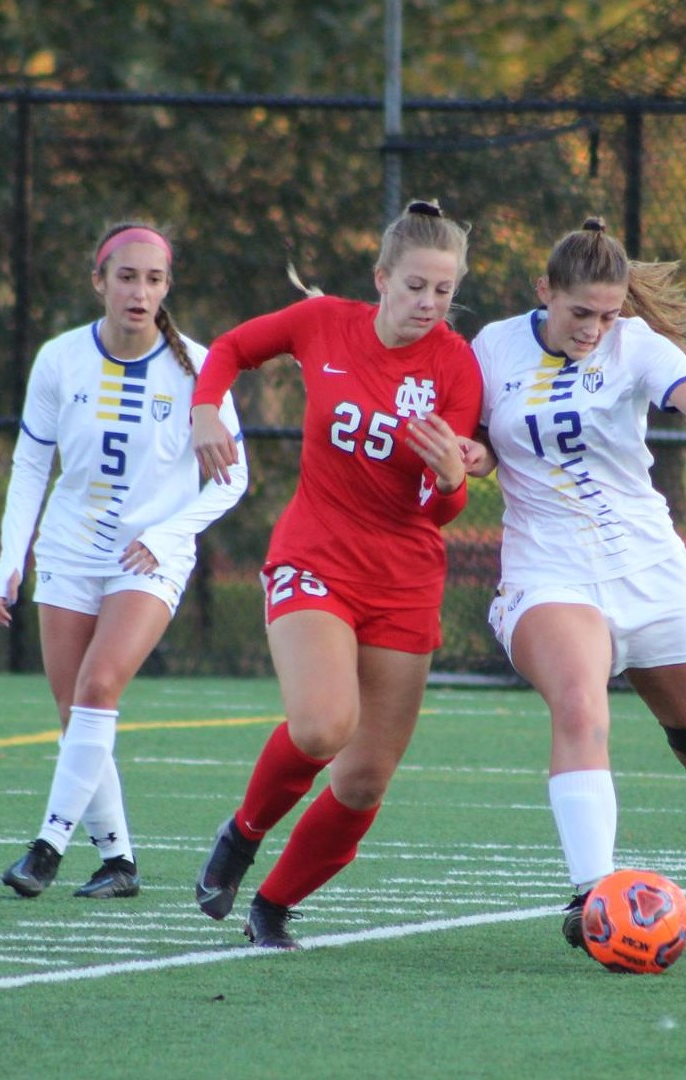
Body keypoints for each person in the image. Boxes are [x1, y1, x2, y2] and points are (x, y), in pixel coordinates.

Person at [463, 218, 686, 960]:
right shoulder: (493, 346)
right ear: (544, 293)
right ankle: (592, 893)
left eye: (608, 312)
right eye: (581, 313)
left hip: (650, 573)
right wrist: (465, 454)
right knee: (579, 701)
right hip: (549, 573)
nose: (597, 327)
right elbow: (475, 445)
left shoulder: (638, 346)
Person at [188, 200, 481, 949]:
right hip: (315, 556)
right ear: (381, 278)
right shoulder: (324, 325)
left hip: (406, 580)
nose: (429, 304)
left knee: (363, 781)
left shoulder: (454, 365)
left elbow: (439, 511)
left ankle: (274, 906)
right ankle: (241, 835)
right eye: (416, 286)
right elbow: (228, 348)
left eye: (444, 291)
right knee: (322, 724)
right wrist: (205, 411)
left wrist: (452, 478)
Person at [0, 222, 247, 900]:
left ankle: (46, 848)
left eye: (154, 279)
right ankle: (119, 862)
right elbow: (30, 465)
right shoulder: (60, 359)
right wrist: (10, 557)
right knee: (76, 711)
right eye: (127, 276)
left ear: (167, 287)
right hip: (71, 550)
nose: (141, 291)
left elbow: (233, 479)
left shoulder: (199, 366)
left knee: (99, 687)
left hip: (150, 556)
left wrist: (166, 536)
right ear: (99, 281)